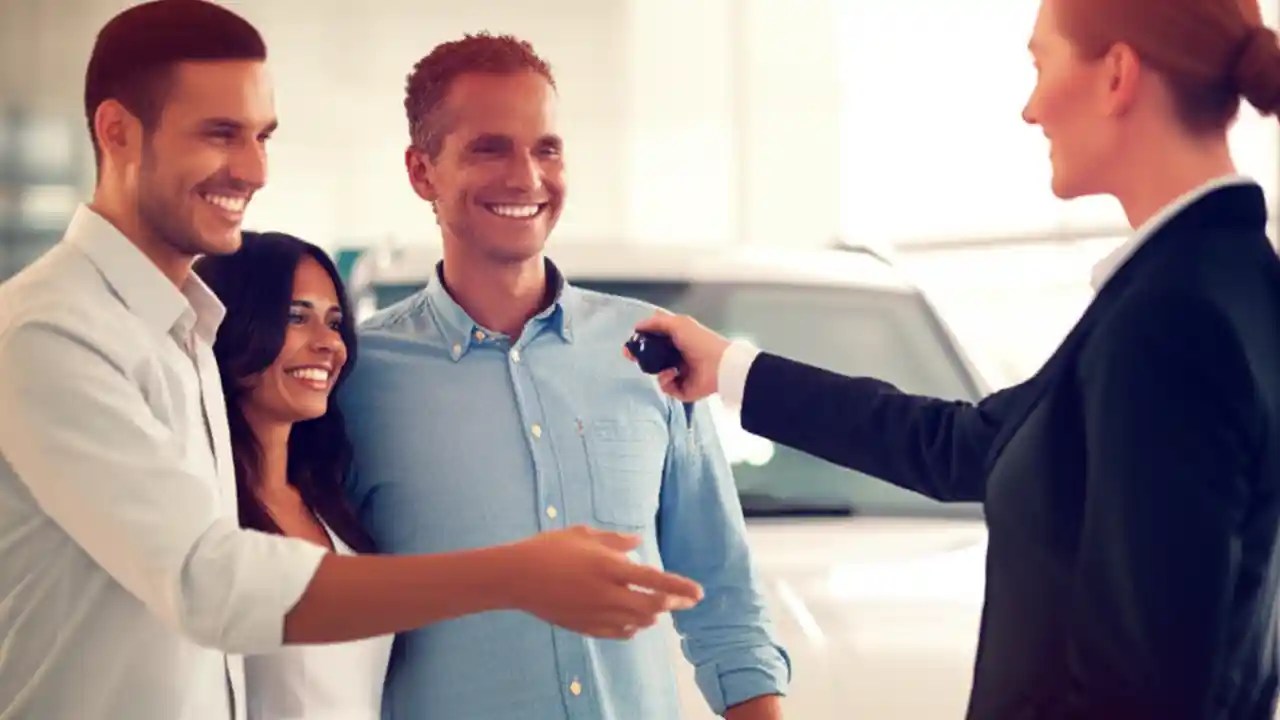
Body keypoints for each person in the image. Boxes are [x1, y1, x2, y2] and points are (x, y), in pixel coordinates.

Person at [0, 4, 701, 719]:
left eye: (262, 137)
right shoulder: (49, 330)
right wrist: (515, 575)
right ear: (117, 132)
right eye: (220, 134)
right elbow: (207, 582)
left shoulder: (185, 334)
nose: (254, 170)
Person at [634, 1, 1280, 718]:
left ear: (1117, 75)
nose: (1032, 109)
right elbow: (964, 445)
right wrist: (731, 369)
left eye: (1041, 64)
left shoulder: (1172, 320)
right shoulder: (1219, 284)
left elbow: (1150, 689)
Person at [338, 33, 790, 720]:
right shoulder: (357, 379)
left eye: (546, 149)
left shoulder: (651, 349)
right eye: (490, 149)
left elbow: (724, 599)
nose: (527, 178)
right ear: (422, 172)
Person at [193, 231, 392, 720]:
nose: (330, 344)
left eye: (335, 322)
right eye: (296, 317)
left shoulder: (330, 504)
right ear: (236, 326)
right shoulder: (203, 513)